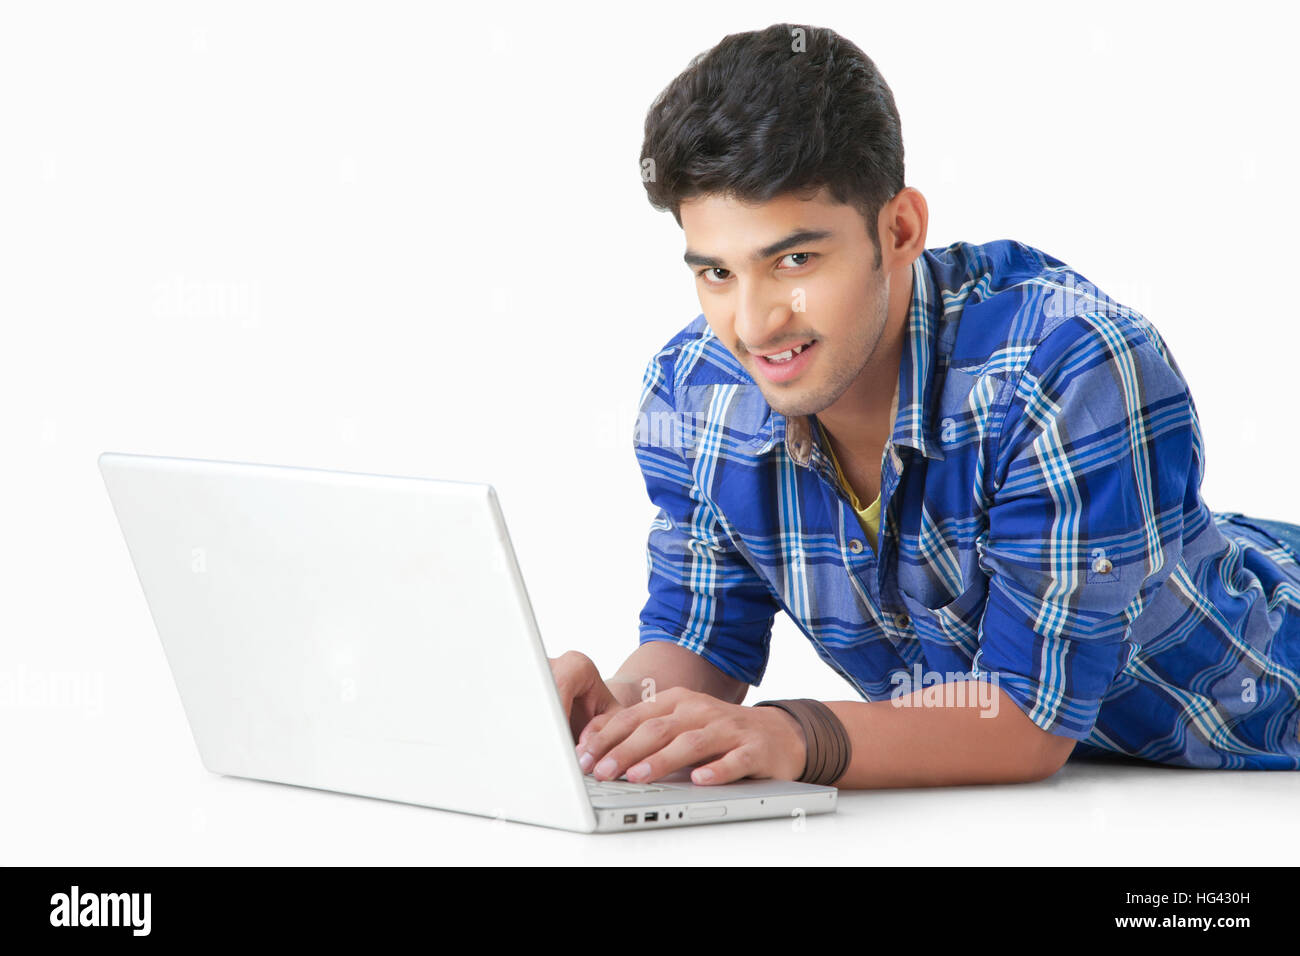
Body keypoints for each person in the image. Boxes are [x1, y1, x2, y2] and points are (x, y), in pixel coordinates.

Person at [549, 22, 1300, 788]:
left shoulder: (1069, 367)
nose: (753, 323)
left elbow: (1023, 720)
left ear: (900, 228)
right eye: (716, 273)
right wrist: (609, 723)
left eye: (795, 260)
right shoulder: (695, 394)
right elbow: (701, 637)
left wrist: (794, 735)